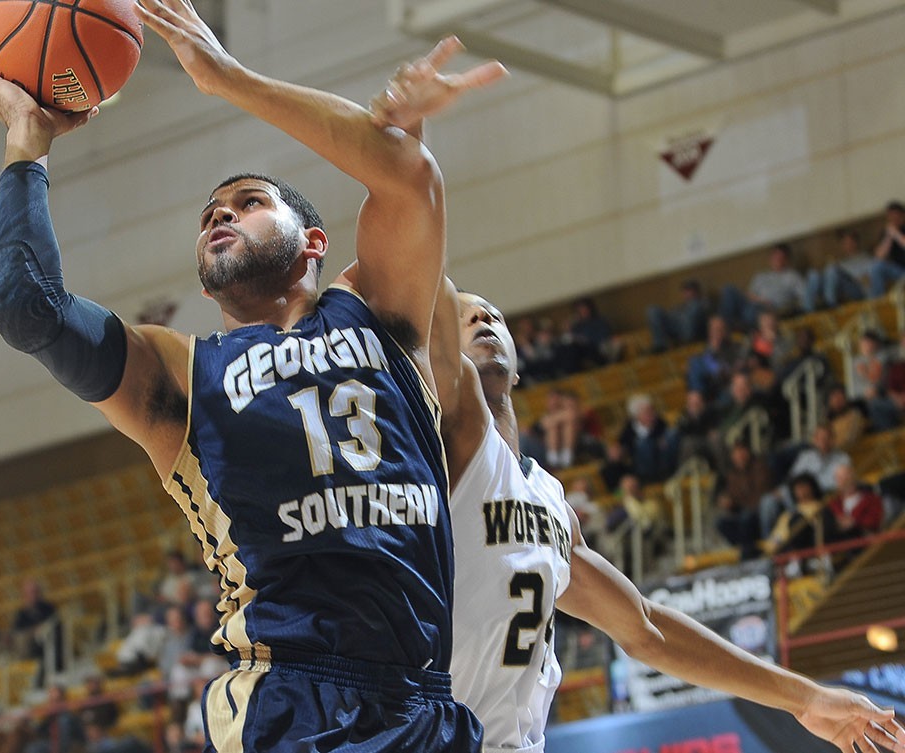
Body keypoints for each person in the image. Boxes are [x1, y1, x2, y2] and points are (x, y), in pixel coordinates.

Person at [0, 12, 505, 749]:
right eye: (209, 216)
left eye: (249, 202)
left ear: (314, 242)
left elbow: (409, 178)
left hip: (424, 706)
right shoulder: (179, 374)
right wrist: (26, 142)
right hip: (290, 700)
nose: (221, 213)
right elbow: (26, 304)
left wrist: (225, 77)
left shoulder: (380, 310)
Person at [373, 58, 905, 753]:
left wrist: (805, 697)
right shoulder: (447, 443)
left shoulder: (549, 503)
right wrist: (409, 133)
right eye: (464, 314)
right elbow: (415, 251)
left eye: (494, 315)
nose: (480, 319)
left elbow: (646, 627)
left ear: (522, 360)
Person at [719, 243, 806, 331]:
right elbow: (749, 294)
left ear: (786, 260)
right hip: (752, 304)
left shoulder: (792, 276)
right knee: (728, 289)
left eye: (780, 257)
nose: (776, 259)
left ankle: (732, 326)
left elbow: (803, 295)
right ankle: (724, 326)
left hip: (770, 309)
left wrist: (789, 308)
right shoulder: (761, 276)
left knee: (751, 311)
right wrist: (759, 300)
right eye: (774, 256)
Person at [804, 228, 871, 310]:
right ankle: (808, 310)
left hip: (858, 290)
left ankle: (830, 304)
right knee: (813, 274)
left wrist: (856, 279)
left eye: (849, 242)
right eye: (844, 243)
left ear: (855, 243)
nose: (847, 245)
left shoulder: (864, 258)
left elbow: (868, 281)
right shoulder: (843, 261)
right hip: (841, 291)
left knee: (832, 269)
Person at [646, 278, 709, 353]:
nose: (687, 293)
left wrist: (695, 303)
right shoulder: (679, 307)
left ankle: (685, 340)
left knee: (694, 305)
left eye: (689, 290)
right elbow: (671, 317)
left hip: (692, 332)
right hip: (677, 330)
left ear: (697, 291)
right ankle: (660, 345)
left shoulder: (703, 303)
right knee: (652, 310)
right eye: (685, 291)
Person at [870, 200, 905, 296]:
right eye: (890, 216)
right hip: (899, 271)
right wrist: (889, 237)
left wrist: (896, 234)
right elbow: (879, 256)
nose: (893, 218)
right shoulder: (887, 233)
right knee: (877, 267)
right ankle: (879, 299)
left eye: (896, 215)